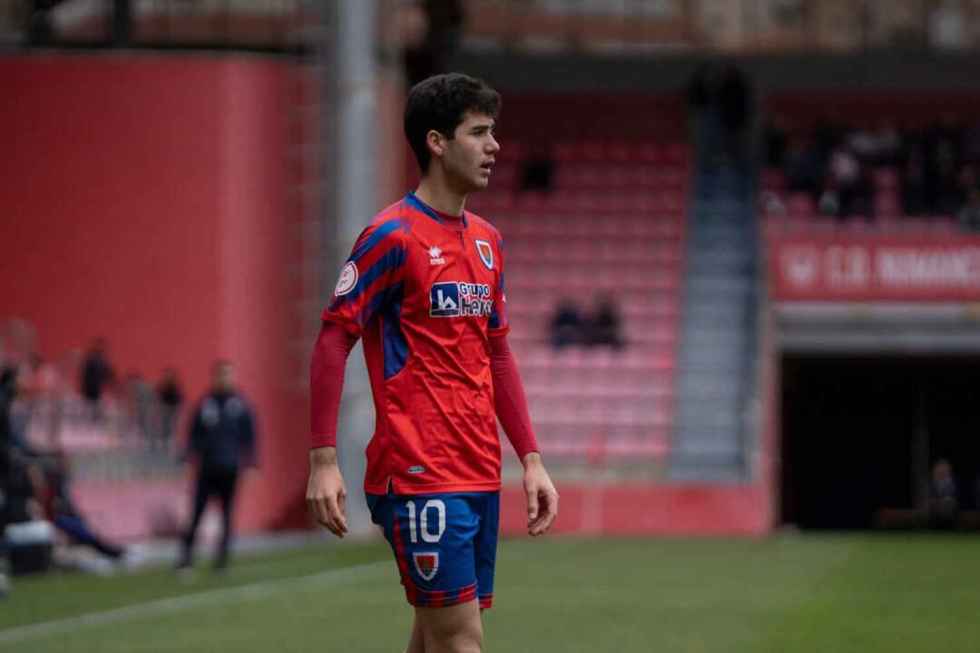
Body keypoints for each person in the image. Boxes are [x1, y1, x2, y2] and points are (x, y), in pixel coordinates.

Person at [307, 73, 558, 653]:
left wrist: (532, 460)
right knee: (461, 641)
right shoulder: (390, 237)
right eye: (480, 133)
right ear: (437, 142)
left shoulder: (489, 242)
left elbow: (497, 355)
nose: (495, 146)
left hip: (477, 471)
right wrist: (323, 460)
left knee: (434, 635)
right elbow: (332, 339)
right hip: (420, 474)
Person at [177, 360, 256, 572]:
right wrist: (187, 458)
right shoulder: (205, 403)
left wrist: (251, 465)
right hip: (207, 468)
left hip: (230, 469)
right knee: (196, 514)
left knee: (227, 515)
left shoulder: (240, 404)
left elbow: (250, 437)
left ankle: (221, 562)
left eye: (228, 375)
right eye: (221, 375)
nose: (225, 379)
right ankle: (185, 559)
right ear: (215, 377)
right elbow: (193, 434)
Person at [156, 368, 183, 451]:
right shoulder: (162, 385)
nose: (168, 377)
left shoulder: (176, 386)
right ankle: (164, 442)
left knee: (172, 427)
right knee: (164, 426)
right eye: (167, 375)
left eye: (170, 375)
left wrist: (178, 409)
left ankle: (171, 442)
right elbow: (158, 396)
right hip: (165, 409)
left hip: (173, 409)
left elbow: (179, 398)